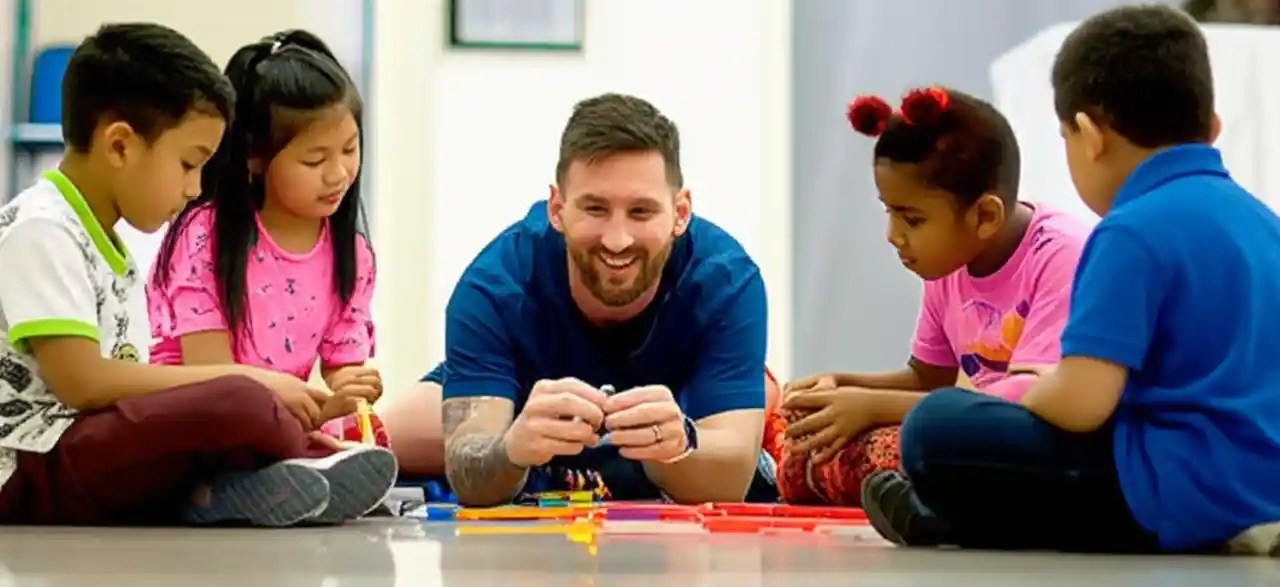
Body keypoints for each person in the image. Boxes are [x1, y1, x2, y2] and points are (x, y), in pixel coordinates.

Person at [863, 4, 1280, 555]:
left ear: (1089, 136)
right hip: (1264, 485)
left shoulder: (1130, 231)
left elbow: (1081, 403)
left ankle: (961, 517)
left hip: (1169, 494)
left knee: (937, 428)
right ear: (1212, 129)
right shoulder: (1264, 224)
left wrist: (1025, 391)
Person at [0, 23, 396, 527]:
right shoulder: (42, 229)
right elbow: (83, 383)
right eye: (189, 165)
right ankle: (274, 464)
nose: (193, 188)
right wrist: (255, 381)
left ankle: (258, 473)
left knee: (240, 406)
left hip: (75, 448)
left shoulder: (103, 241)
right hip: (27, 468)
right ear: (120, 146)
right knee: (238, 402)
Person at [380, 93, 774, 506]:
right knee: (375, 440)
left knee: (747, 423)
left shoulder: (728, 282)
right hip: (515, 404)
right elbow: (469, 475)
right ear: (557, 208)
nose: (617, 240)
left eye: (640, 212)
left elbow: (729, 484)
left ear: (681, 212)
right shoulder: (494, 286)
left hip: (682, 410)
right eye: (596, 209)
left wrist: (680, 444)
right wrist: (513, 448)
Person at [778, 87, 1088, 507]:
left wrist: (871, 406)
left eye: (912, 218)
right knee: (803, 453)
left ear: (985, 216)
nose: (893, 236)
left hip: (1036, 438)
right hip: (959, 425)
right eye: (889, 211)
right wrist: (841, 387)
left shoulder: (1061, 254)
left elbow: (1027, 397)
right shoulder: (949, 259)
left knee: (912, 444)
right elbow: (929, 377)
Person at [147, 30, 389, 459]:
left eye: (350, 150)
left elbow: (341, 367)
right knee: (243, 415)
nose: (338, 174)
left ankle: (291, 470)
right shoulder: (205, 235)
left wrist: (352, 389)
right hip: (199, 411)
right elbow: (207, 374)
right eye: (315, 160)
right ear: (253, 158)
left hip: (281, 414)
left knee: (359, 434)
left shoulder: (351, 252)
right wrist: (284, 398)